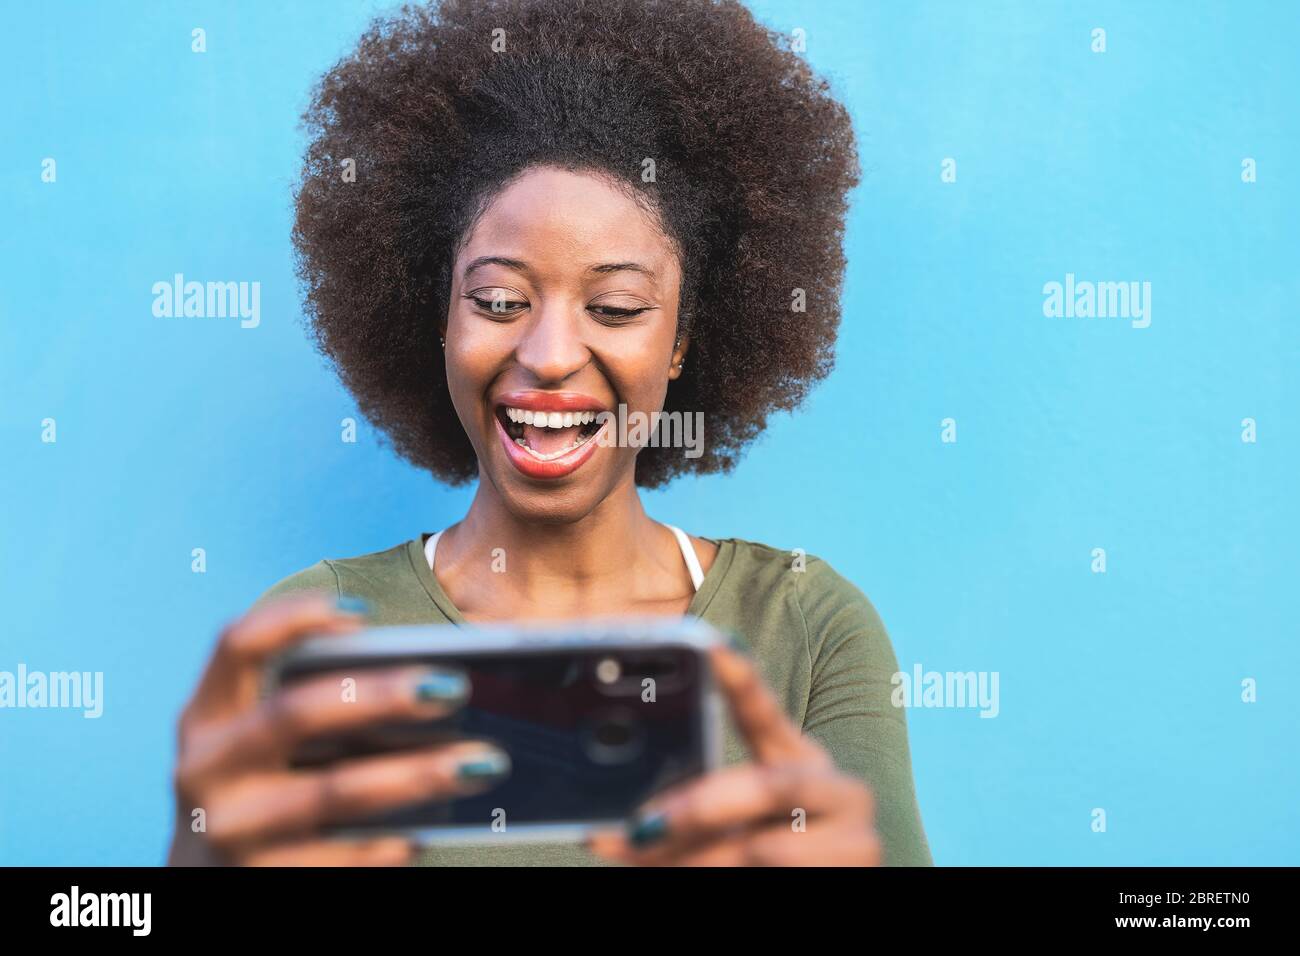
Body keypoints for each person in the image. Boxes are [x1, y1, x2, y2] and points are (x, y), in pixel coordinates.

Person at [168, 0, 932, 867]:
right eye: (498, 302)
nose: (551, 356)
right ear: (439, 318)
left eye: (614, 308)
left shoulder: (808, 628)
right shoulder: (319, 632)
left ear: (681, 342)